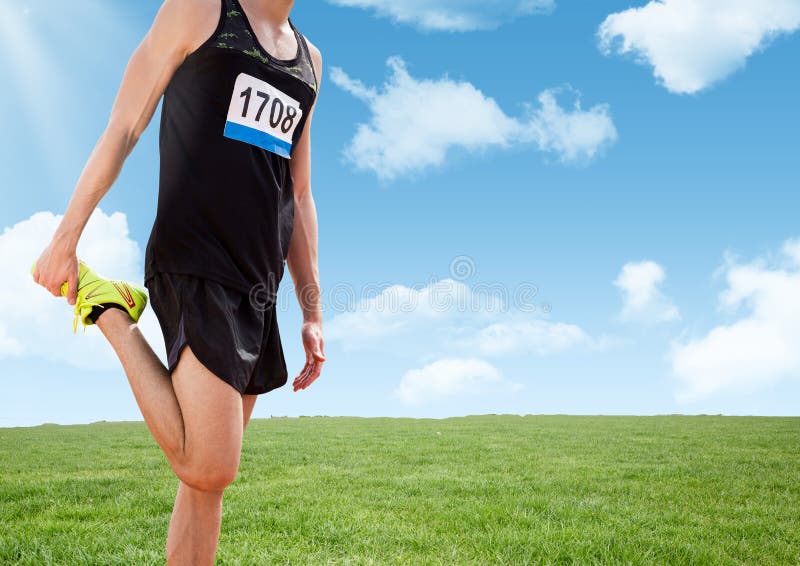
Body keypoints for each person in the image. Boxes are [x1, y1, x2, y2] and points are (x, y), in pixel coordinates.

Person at [30, 0, 325, 563]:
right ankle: (111, 311)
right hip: (195, 259)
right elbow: (125, 126)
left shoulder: (310, 61)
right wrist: (66, 236)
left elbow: (300, 192)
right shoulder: (200, 10)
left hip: (257, 283)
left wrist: (311, 310)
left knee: (204, 487)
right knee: (208, 463)